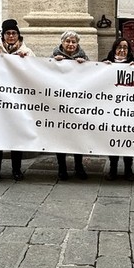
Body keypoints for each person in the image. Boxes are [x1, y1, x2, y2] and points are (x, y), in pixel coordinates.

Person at [0, 19, 34, 181]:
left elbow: (36, 72)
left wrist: (27, 60)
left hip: (17, 102)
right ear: (3, 35)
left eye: (14, 33)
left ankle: (16, 170)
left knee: (16, 136)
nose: (11, 36)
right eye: (8, 33)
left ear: (18, 35)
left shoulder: (27, 51)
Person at [102, 38, 134, 181]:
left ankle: (128, 170)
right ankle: (113, 169)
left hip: (129, 111)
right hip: (112, 110)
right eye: (119, 47)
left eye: (125, 47)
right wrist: (102, 67)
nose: (122, 50)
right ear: (114, 49)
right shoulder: (105, 63)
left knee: (128, 141)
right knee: (113, 141)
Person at [52, 30, 89, 180]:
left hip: (77, 105)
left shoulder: (84, 58)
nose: (70, 44)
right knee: (61, 137)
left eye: (74, 42)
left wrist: (85, 65)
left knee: (77, 136)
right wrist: (54, 63)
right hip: (59, 105)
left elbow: (93, 76)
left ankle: (79, 166)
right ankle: (62, 167)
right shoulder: (53, 57)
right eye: (67, 41)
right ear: (62, 42)